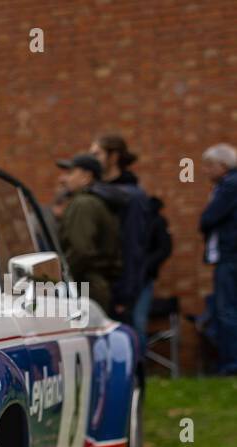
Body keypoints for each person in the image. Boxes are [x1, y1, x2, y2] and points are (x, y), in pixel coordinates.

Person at [88, 133, 151, 319]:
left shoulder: (133, 197)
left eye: (97, 154)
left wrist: (125, 293)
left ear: (113, 156)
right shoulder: (91, 192)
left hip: (119, 288)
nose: (93, 160)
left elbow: (134, 245)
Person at [55, 153, 121, 315]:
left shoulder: (83, 204)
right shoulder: (93, 202)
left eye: (70, 173)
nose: (63, 179)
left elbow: (81, 251)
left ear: (86, 177)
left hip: (86, 287)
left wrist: (58, 282)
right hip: (93, 285)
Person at [200, 144, 237, 375]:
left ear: (222, 166)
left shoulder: (230, 186)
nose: (204, 171)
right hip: (229, 256)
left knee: (227, 311)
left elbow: (207, 218)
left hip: (230, 257)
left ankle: (231, 365)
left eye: (208, 166)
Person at [132, 197, 173, 345]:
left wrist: (146, 266)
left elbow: (164, 249)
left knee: (138, 320)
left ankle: (139, 364)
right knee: (131, 321)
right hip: (127, 279)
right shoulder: (132, 220)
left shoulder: (156, 221)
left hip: (143, 278)